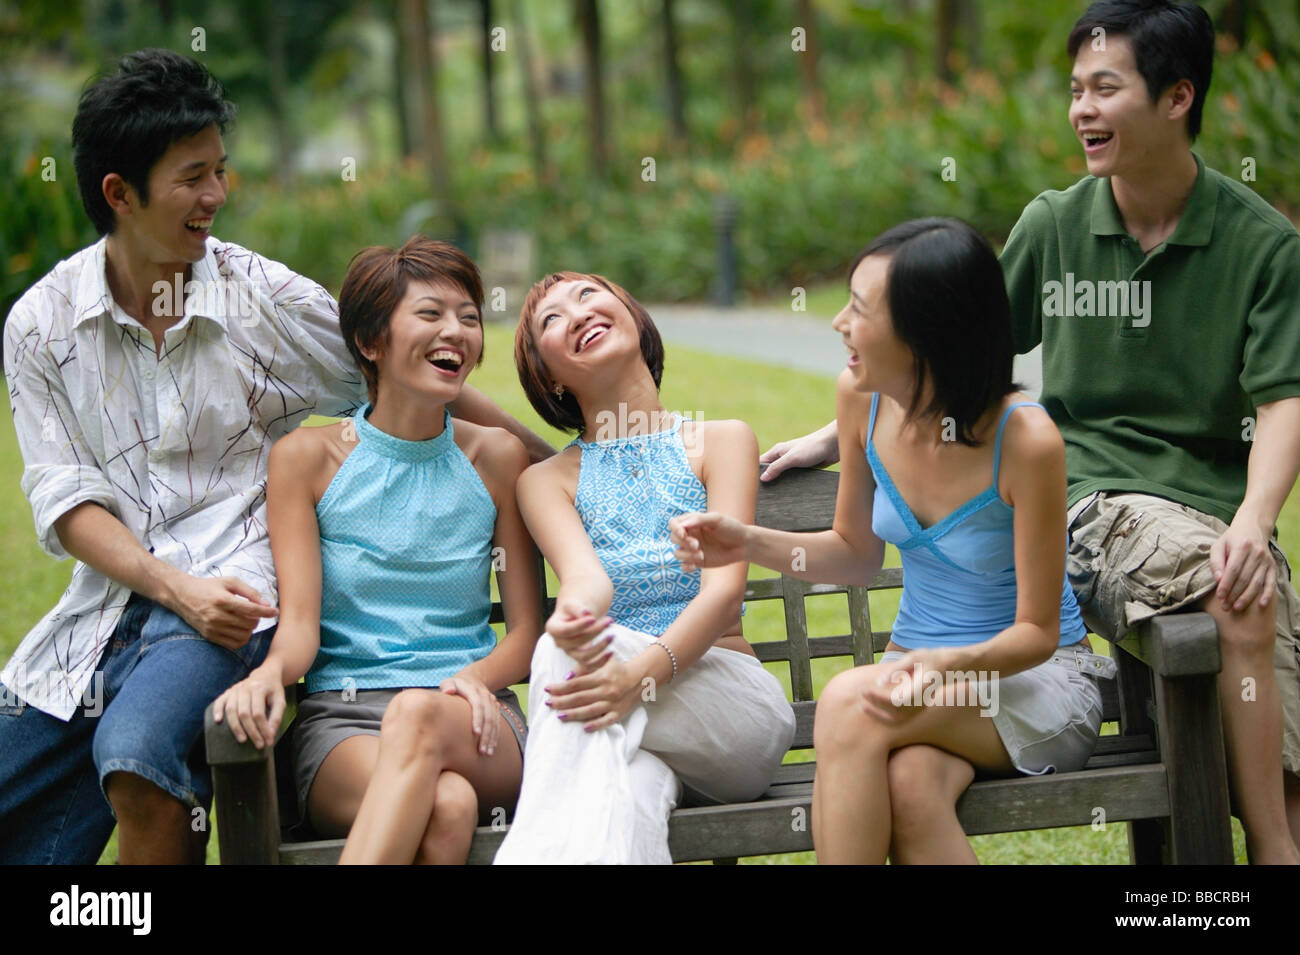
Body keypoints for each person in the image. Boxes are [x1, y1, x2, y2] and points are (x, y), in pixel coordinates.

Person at [759, 0, 1300, 864]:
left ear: (1176, 98)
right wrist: (839, 431)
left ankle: (1275, 846)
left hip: (1186, 522)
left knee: (1245, 586)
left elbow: (1281, 401)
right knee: (1238, 592)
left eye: (1105, 88)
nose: (1081, 109)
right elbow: (953, 341)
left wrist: (1253, 518)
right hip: (1097, 505)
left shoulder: (1263, 245)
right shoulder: (1056, 223)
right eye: (1075, 89)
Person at [0, 49, 548, 865]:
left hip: (235, 596)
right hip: (104, 610)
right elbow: (62, 497)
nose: (217, 196)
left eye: (221, 170)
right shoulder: (40, 326)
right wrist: (169, 586)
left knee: (139, 756)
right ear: (119, 192)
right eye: (193, 177)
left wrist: (548, 457)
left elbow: (404, 358)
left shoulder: (262, 297)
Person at [672, 218, 1109, 864]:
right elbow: (854, 552)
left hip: (1032, 683)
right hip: (920, 684)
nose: (838, 322)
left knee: (849, 698)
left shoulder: (1026, 442)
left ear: (927, 333)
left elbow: (1038, 633)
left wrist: (940, 666)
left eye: (860, 307)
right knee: (911, 788)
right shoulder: (862, 398)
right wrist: (744, 540)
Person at [211, 237, 540, 864]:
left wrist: (466, 681)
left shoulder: (497, 458)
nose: (457, 331)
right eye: (431, 314)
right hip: (344, 721)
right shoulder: (305, 460)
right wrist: (269, 676)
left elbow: (525, 635)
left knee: (421, 720)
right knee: (449, 808)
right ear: (370, 342)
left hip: (476, 715)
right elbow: (301, 625)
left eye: (469, 317)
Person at [492, 271, 795, 864]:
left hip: (733, 714)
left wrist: (640, 677)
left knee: (561, 660)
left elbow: (724, 595)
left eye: (587, 296)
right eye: (551, 319)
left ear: (633, 317)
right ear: (547, 376)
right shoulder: (546, 481)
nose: (576, 314)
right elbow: (586, 584)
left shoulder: (721, 441)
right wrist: (576, 620)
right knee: (620, 803)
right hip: (623, 721)